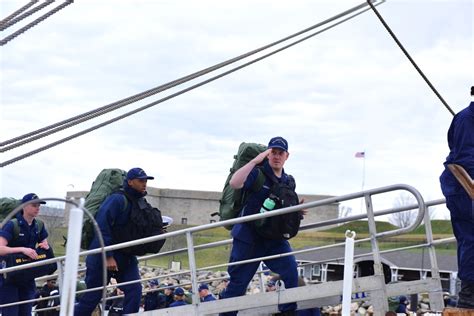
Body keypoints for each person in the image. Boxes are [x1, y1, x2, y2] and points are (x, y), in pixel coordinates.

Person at [219, 136, 303, 316]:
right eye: (273, 152)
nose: (277, 156)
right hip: (249, 239)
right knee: (238, 285)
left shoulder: (288, 181)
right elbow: (235, 183)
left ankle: (288, 312)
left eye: (281, 153)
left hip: (274, 239)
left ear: (287, 156)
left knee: (290, 272)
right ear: (268, 154)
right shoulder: (257, 174)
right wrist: (256, 161)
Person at [74, 167, 155, 315]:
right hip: (102, 256)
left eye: (146, 181)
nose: (144, 184)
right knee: (92, 297)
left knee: (134, 290)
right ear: (130, 182)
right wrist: (108, 255)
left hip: (126, 257)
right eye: (141, 180)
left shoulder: (139, 202)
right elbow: (102, 225)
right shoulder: (117, 199)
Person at [440, 86, 474, 309]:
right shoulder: (465, 120)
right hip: (463, 187)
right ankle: (469, 294)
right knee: (471, 238)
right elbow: (465, 158)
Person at [0, 193, 49, 316]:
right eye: (34, 205)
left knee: (26, 312)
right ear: (24, 207)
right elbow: (0, 248)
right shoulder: (12, 225)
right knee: (10, 312)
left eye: (39, 205)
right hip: (9, 276)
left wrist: (45, 246)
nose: (37, 208)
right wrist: (22, 249)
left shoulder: (39, 225)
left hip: (28, 275)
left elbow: (44, 242)